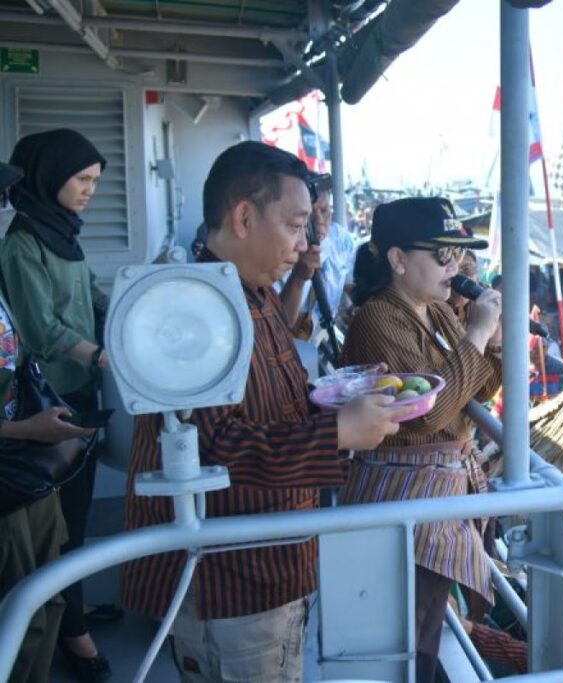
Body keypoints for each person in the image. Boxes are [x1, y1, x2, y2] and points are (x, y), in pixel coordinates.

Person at [120, 142, 410, 682]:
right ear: (245, 217)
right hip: (233, 585)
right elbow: (207, 452)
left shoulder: (248, 293)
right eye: (297, 224)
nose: (304, 245)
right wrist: (338, 434)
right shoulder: (191, 311)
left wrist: (335, 406)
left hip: (270, 562)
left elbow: (270, 403)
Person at [340, 196, 503, 682]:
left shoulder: (437, 312)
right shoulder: (379, 318)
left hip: (438, 497)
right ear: (397, 259)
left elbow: (478, 388)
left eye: (457, 255)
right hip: (406, 499)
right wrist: (476, 334)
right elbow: (427, 416)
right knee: (408, 633)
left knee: (428, 622)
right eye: (441, 254)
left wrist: (495, 340)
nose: (453, 266)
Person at [0, 128, 112, 682]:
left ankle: (71, 608)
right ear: (51, 177)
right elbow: (41, 328)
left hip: (80, 388)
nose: (90, 190)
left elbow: (94, 293)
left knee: (77, 516)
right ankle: (70, 632)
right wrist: (101, 356)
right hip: (50, 399)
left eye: (96, 180)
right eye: (83, 179)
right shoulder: (22, 243)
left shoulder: (65, 232)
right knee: (58, 521)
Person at [280, 181, 357, 341]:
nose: (318, 220)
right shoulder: (281, 249)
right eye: (308, 214)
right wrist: (298, 277)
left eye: (324, 211)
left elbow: (349, 286)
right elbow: (278, 324)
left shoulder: (340, 240)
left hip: (325, 339)